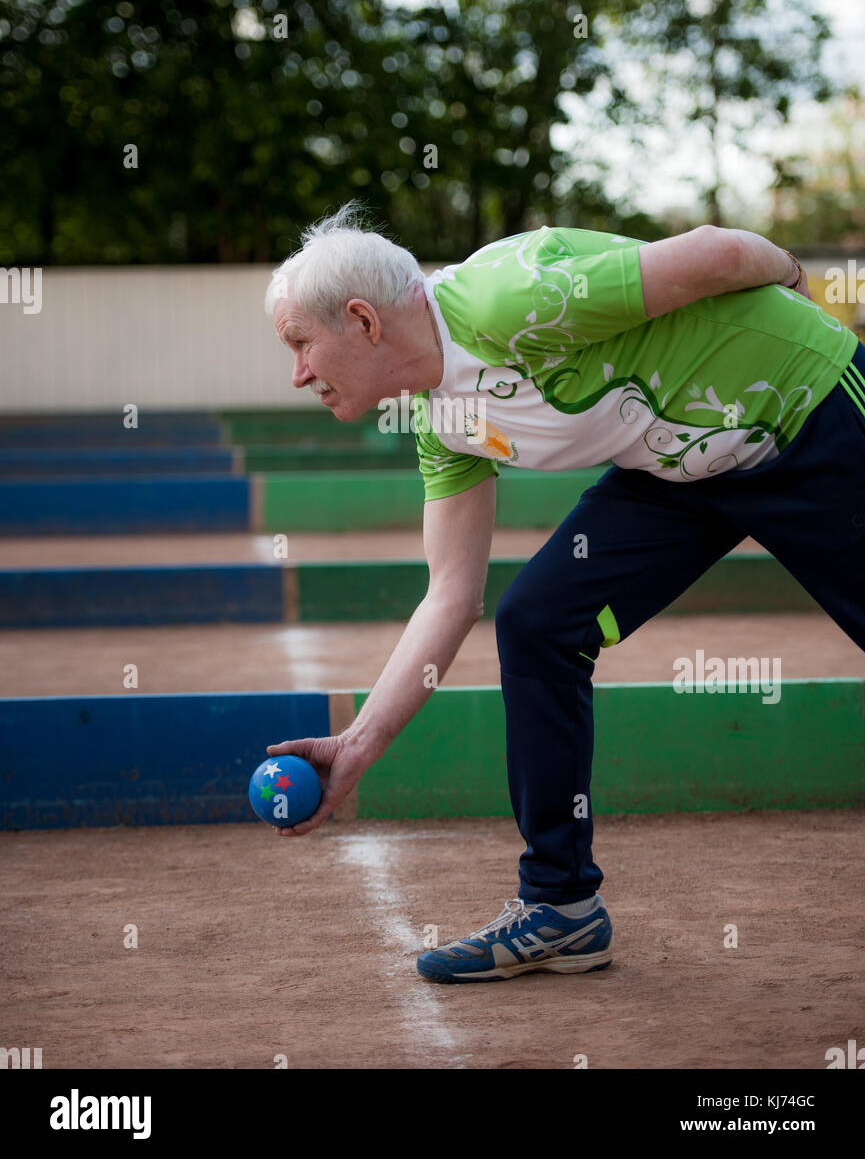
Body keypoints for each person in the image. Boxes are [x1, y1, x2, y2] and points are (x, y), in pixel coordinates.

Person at [262, 201, 865, 982]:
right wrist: (356, 746)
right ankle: (560, 906)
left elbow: (717, 254)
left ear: (362, 321)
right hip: (679, 465)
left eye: (299, 343)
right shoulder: (441, 420)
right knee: (539, 623)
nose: (297, 373)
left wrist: (790, 282)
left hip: (807, 408)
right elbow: (451, 594)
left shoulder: (506, 302)